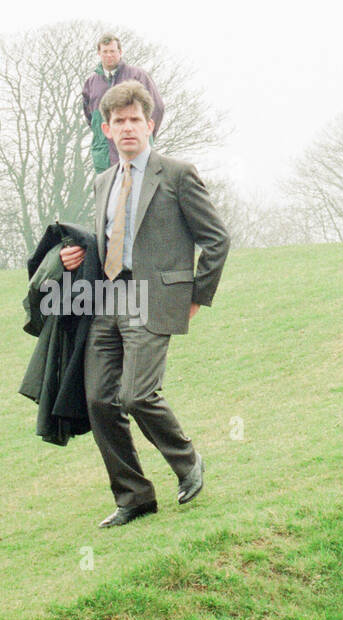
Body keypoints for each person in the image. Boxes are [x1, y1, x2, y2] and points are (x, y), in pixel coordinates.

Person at [60, 80, 229, 528]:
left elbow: (216, 239)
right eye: (119, 121)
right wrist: (72, 257)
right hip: (106, 299)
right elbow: (106, 243)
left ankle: (187, 458)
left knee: (135, 394)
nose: (129, 127)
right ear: (107, 130)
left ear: (150, 124)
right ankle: (134, 496)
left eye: (136, 119)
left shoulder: (176, 173)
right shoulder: (102, 182)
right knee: (98, 401)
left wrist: (197, 296)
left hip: (153, 298)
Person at [82, 33, 165, 174]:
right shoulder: (91, 83)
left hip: (137, 152)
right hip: (104, 157)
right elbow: (91, 118)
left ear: (120, 52)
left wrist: (146, 135)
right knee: (109, 194)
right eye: (105, 52)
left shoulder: (137, 76)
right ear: (99, 53)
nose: (109, 55)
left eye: (112, 51)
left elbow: (157, 108)